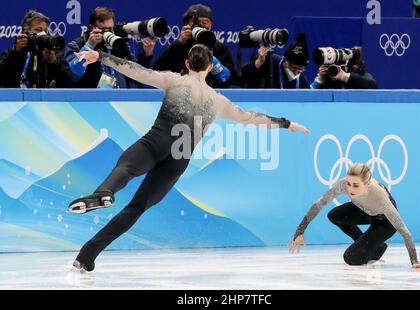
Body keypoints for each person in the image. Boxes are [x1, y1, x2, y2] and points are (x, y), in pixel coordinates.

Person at [68, 44, 311, 271]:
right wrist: (285, 123)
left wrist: (100, 56)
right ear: (208, 68)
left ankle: (104, 192)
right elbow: (250, 117)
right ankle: (87, 254)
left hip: (157, 141)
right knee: (136, 208)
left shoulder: (173, 80)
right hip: (179, 158)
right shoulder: (218, 101)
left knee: (126, 166)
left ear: (186, 63)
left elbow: (137, 70)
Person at [289, 163, 420, 269]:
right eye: (349, 183)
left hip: (384, 223)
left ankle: (375, 248)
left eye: (356, 185)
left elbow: (404, 230)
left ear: (367, 184)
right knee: (334, 215)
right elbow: (319, 204)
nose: (350, 189)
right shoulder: (344, 185)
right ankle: (371, 245)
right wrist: (300, 231)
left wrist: (414, 261)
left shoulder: (379, 197)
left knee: (350, 258)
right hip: (365, 210)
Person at [64, 6, 155, 88]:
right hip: (91, 103)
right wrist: (90, 45)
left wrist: (146, 55)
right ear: (92, 28)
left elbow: (137, 77)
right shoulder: (77, 45)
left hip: (119, 102)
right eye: (103, 30)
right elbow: (72, 76)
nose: (108, 33)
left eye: (110, 29)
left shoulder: (118, 45)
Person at [153, 3, 238, 88]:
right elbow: (158, 69)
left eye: (205, 23)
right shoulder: (178, 46)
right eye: (196, 23)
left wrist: (216, 65)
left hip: (211, 95)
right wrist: (178, 44)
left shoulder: (220, 48)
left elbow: (230, 81)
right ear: (186, 24)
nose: (201, 26)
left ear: (210, 24)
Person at [0, 10, 73, 88]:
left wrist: (53, 62)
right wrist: (14, 52)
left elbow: (69, 81)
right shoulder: (16, 52)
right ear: (25, 32)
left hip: (44, 99)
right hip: (15, 97)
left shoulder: (51, 53)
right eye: (38, 30)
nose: (43, 34)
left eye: (45, 31)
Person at [241, 33, 310, 89]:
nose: (296, 72)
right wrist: (257, 64)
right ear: (285, 60)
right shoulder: (268, 61)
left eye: (301, 69)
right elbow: (238, 78)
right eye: (294, 68)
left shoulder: (302, 80)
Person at [310, 47, 378, 89]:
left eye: (342, 64)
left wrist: (344, 76)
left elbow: (373, 85)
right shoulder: (328, 75)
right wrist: (319, 79)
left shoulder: (357, 70)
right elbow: (306, 96)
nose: (339, 67)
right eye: (337, 64)